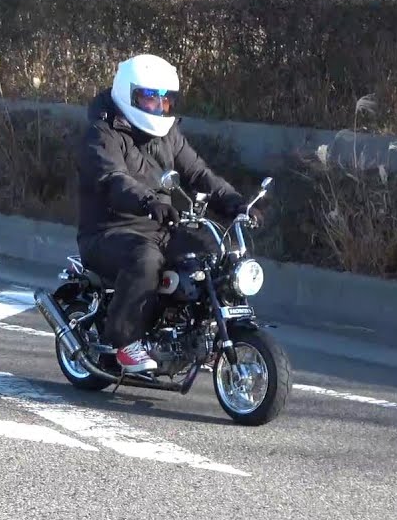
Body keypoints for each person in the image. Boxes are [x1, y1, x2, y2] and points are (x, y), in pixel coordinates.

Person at [76, 54, 262, 373]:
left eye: (165, 99)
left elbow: (198, 173)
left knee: (211, 251)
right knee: (145, 260)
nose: (158, 106)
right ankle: (124, 342)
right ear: (128, 93)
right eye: (149, 97)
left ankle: (206, 331)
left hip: (160, 225)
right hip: (109, 230)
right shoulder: (102, 133)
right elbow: (113, 179)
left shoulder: (168, 134)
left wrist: (235, 203)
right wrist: (148, 201)